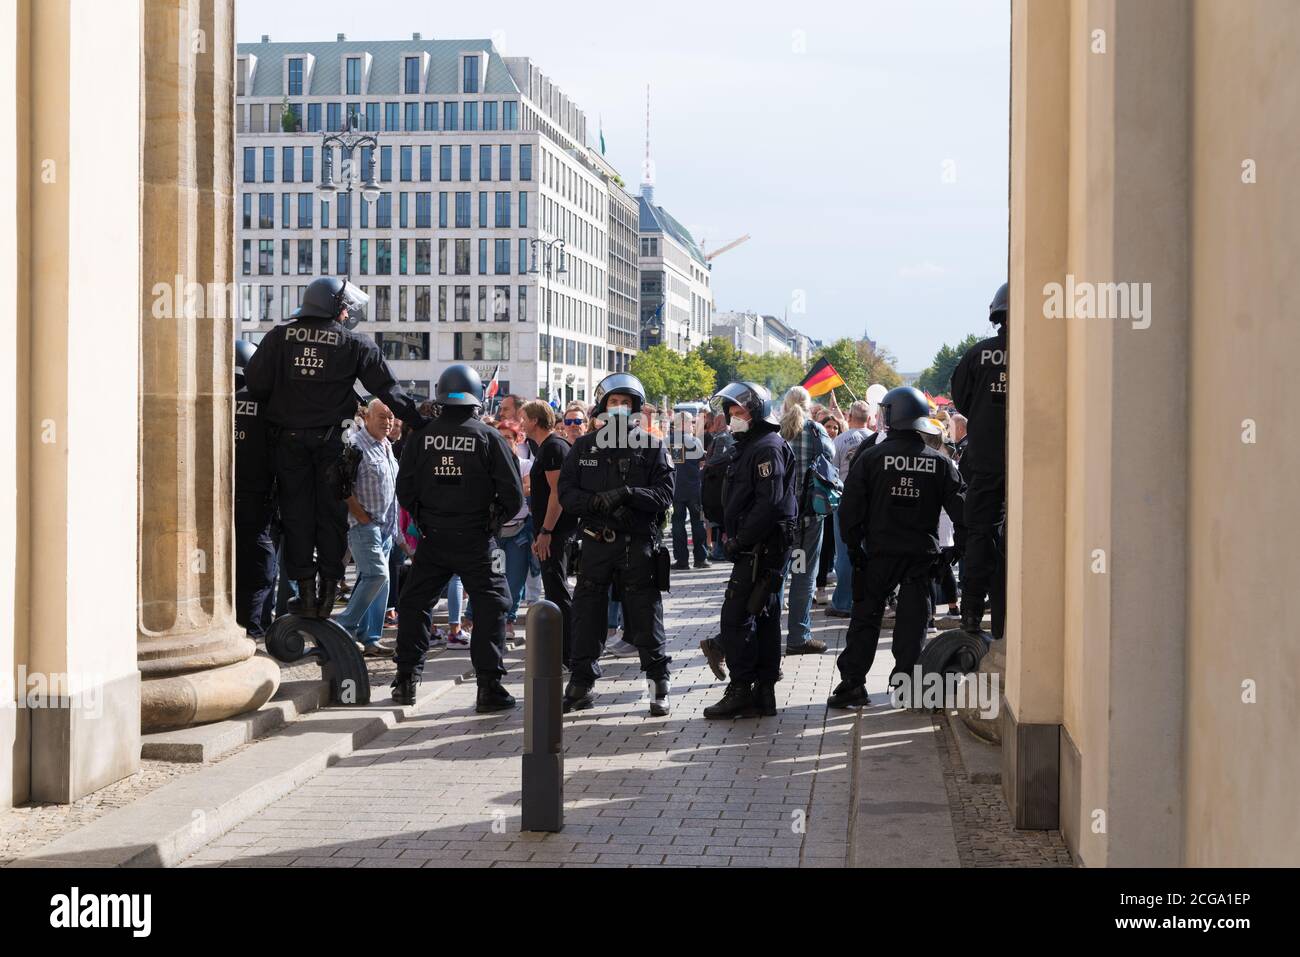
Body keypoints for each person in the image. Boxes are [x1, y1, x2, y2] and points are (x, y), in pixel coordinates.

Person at [242, 277, 425, 620]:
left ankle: (305, 591)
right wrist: (422, 421)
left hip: (289, 442)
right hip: (333, 443)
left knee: (296, 515)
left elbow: (256, 383)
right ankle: (328, 590)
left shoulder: (279, 337)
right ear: (335, 308)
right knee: (330, 515)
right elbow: (388, 390)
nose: (346, 312)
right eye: (344, 307)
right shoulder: (355, 343)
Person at [390, 364, 523, 711]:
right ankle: (489, 688)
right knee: (492, 607)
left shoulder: (420, 436)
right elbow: (513, 497)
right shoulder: (489, 437)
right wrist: (489, 525)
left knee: (414, 603)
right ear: (477, 398)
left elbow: (404, 489)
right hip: (477, 541)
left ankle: (406, 681)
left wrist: (425, 519)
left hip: (433, 540)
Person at [827, 387, 966, 709]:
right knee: (914, 622)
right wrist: (956, 549)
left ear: (891, 415)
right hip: (921, 554)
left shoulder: (871, 457)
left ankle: (852, 685)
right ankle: (907, 685)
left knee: (865, 618)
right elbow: (963, 511)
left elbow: (850, 508)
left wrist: (853, 545)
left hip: (878, 553)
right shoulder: (940, 463)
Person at [558, 372, 675, 716]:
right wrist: (595, 504)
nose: (620, 408)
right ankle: (581, 684)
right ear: (602, 407)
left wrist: (629, 495)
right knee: (587, 616)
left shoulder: (652, 447)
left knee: (646, 617)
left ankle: (658, 687)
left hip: (637, 546)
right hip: (596, 545)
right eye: (614, 402)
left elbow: (665, 494)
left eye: (626, 403)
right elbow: (566, 492)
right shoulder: (584, 447)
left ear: (636, 408)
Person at [703, 382, 798, 718]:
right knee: (765, 614)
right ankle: (764, 690)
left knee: (736, 618)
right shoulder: (752, 444)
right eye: (730, 412)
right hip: (759, 545)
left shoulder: (767, 447)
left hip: (761, 546)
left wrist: (741, 540)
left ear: (756, 411)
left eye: (739, 411)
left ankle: (742, 687)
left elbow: (769, 503)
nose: (733, 418)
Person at [950, 282, 1008, 639]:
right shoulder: (1041, 350)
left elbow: (963, 401)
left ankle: (971, 611)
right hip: (1030, 463)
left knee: (978, 534)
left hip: (985, 460)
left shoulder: (978, 354)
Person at [333, 399, 400, 656]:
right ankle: (343, 626)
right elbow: (341, 486)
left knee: (379, 583)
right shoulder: (355, 445)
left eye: (391, 417)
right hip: (365, 525)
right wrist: (361, 517)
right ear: (367, 417)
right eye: (382, 416)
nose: (388, 421)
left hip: (386, 527)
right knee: (376, 576)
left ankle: (370, 638)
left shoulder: (386, 446)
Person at [520, 400, 577, 665]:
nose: (521, 423)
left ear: (534, 421)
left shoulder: (554, 447)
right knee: (555, 588)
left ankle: (569, 652)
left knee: (557, 590)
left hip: (554, 533)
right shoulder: (549, 447)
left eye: (524, 418)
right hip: (550, 531)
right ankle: (567, 649)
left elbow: (558, 493)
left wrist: (546, 530)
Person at [779, 386, 833, 655]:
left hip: (782, 517)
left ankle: (767, 633)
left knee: (778, 575)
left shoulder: (777, 430)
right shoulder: (816, 431)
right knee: (803, 576)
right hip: (810, 517)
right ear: (810, 405)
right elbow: (829, 459)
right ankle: (799, 636)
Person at [234, 340, 277, 638]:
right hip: (257, 500)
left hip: (216, 500)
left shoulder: (212, 398)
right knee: (261, 568)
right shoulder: (265, 403)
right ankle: (251, 627)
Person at [827, 401, 874, 619]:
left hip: (846, 500)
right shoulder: (876, 440)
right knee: (869, 550)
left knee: (845, 553)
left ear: (850, 416)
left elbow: (833, 473)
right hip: (871, 502)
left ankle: (843, 602)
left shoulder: (839, 440)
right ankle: (867, 600)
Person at [670, 412, 710, 570]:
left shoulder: (671, 441)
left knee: (678, 525)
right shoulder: (694, 441)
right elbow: (702, 462)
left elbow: (673, 463)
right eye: (691, 423)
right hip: (694, 490)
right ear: (685, 424)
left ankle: (682, 560)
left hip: (677, 490)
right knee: (698, 524)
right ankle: (700, 558)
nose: (693, 425)